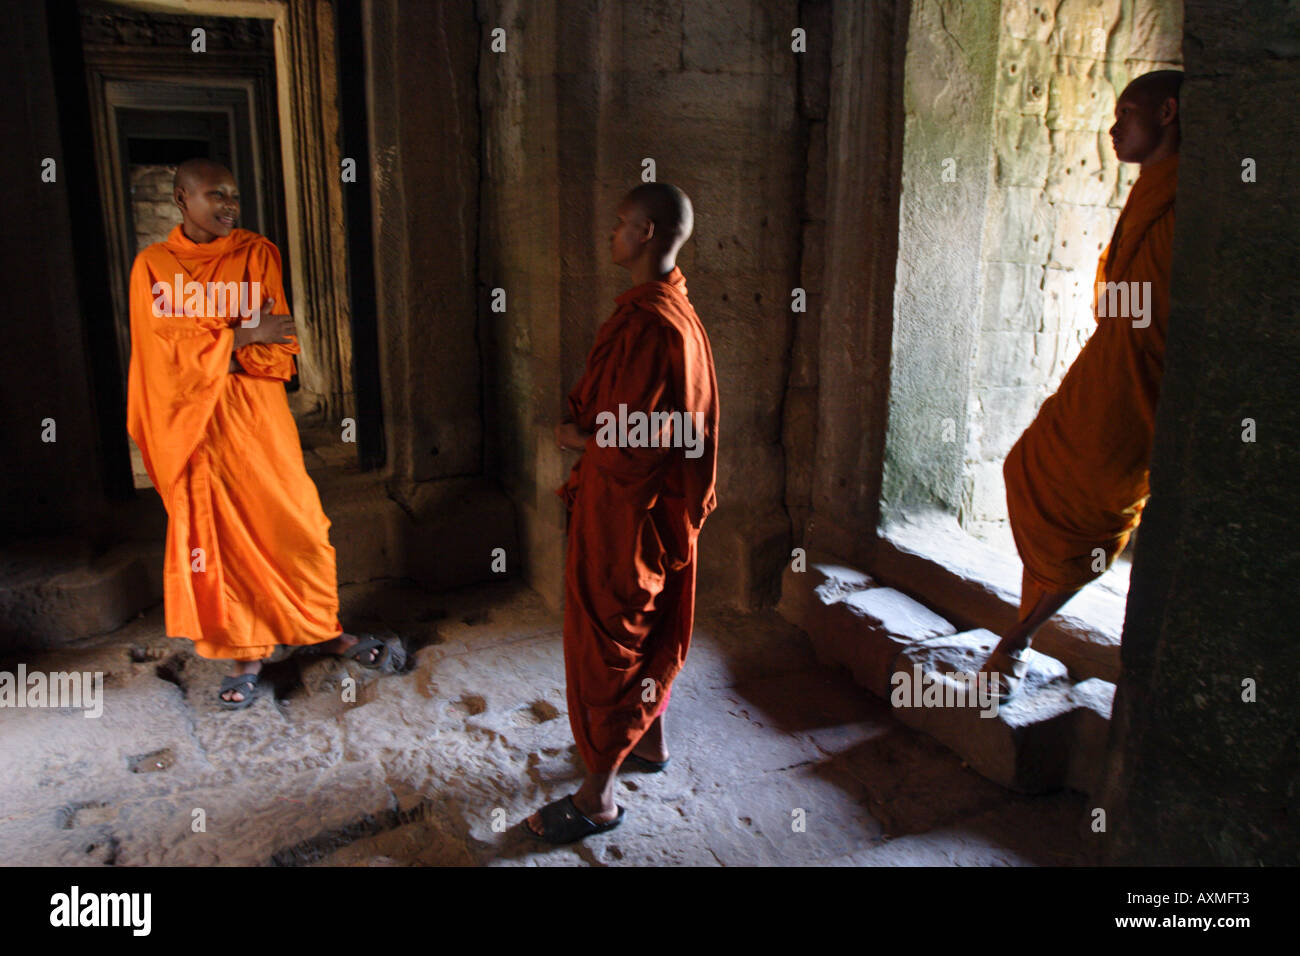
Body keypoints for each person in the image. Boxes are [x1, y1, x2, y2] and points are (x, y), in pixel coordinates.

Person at [126, 158, 402, 709]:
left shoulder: (256, 254)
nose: (228, 205)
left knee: (296, 524)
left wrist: (217, 343)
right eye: (213, 195)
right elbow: (159, 359)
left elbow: (276, 344)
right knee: (222, 543)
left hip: (256, 416)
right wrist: (237, 337)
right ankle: (246, 654)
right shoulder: (153, 268)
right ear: (182, 200)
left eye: (233, 195)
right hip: (197, 430)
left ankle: (322, 628)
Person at [525, 183, 719, 842]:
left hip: (629, 513)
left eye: (619, 224)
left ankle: (598, 796)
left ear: (644, 232)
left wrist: (573, 439)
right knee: (647, 624)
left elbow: (637, 442)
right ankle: (650, 745)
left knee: (613, 639)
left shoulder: (649, 324)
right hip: (652, 510)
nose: (611, 235)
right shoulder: (673, 311)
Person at [980, 71, 1183, 701]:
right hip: (1107, 365)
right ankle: (1021, 631)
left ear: (1168, 113)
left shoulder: (1189, 198)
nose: (1114, 127)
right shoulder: (1154, 188)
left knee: (1094, 516)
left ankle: (1019, 639)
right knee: (1028, 468)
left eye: (1127, 113)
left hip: (1141, 386)